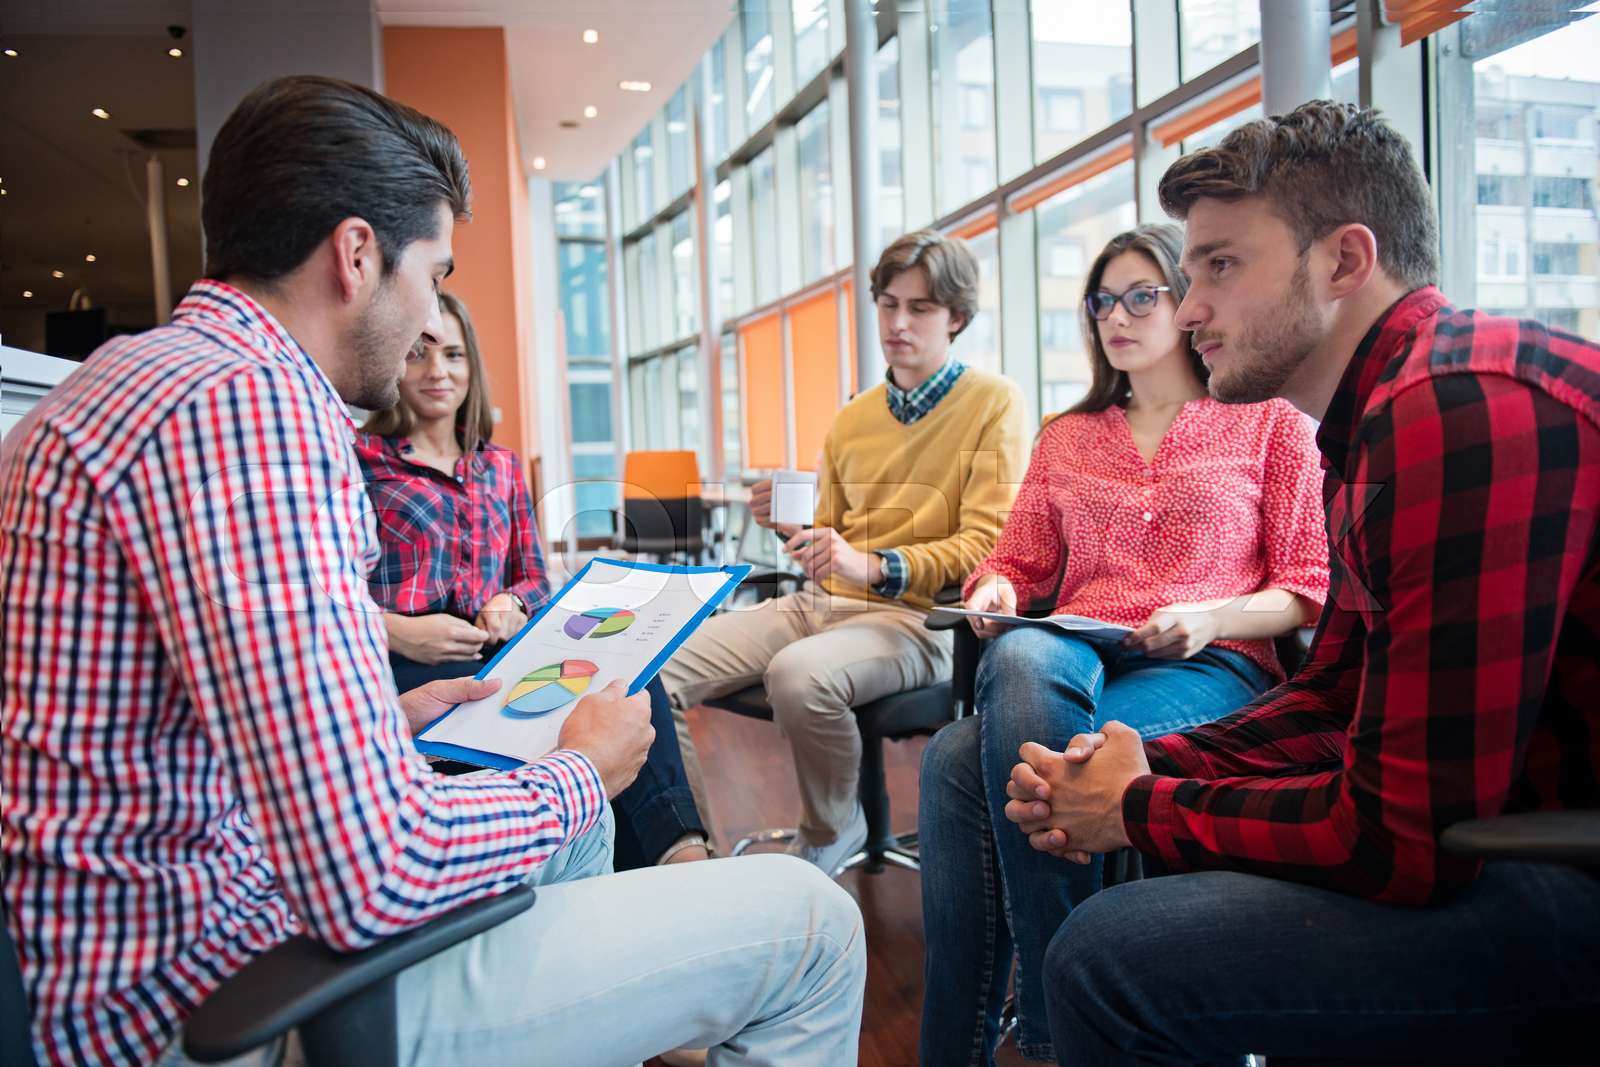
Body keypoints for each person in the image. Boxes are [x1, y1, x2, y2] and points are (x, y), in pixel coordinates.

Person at [0, 75, 865, 1067]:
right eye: (433, 274)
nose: (427, 325)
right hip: (213, 991)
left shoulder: (123, 381)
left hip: (159, 923)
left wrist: (379, 720)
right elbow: (369, 873)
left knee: (568, 831)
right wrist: (582, 774)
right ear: (357, 253)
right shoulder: (250, 414)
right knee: (813, 926)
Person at [1003, 100, 1600, 1065]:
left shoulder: (1450, 412)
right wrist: (1158, 764)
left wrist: (1139, 803)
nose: (1188, 308)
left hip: (1564, 871)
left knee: (1107, 957)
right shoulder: (1370, 423)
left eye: (1221, 266)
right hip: (1515, 831)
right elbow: (1339, 692)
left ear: (1344, 261)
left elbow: (1399, 843)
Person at [917, 222, 1330, 1065]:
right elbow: (1015, 561)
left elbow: (1305, 584)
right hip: (1079, 645)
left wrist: (1213, 615)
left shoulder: (1267, 423)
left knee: (957, 761)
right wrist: (995, 591)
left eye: (1143, 293)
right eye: (1104, 299)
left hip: (1211, 660)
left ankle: (1039, 1019)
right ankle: (1058, 1008)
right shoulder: (1069, 436)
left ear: (1186, 303)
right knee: (1022, 654)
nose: (1118, 314)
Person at [660, 230, 1028, 874]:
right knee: (650, 670)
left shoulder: (994, 403)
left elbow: (986, 548)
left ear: (957, 318)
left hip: (921, 617)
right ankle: (693, 859)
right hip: (821, 604)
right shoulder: (854, 417)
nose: (897, 322)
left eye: (919, 308)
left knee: (799, 675)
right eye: (888, 304)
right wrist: (788, 527)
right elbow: (828, 535)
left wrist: (872, 564)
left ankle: (832, 825)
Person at [355, 290, 710, 871]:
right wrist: (396, 631)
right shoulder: (361, 462)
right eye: (418, 354)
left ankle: (682, 856)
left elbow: (534, 576)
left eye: (453, 354)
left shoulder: (500, 466)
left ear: (472, 365)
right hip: (413, 663)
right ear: (394, 359)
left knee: (628, 677)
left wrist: (510, 601)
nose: (437, 371)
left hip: (502, 649)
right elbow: (325, 596)